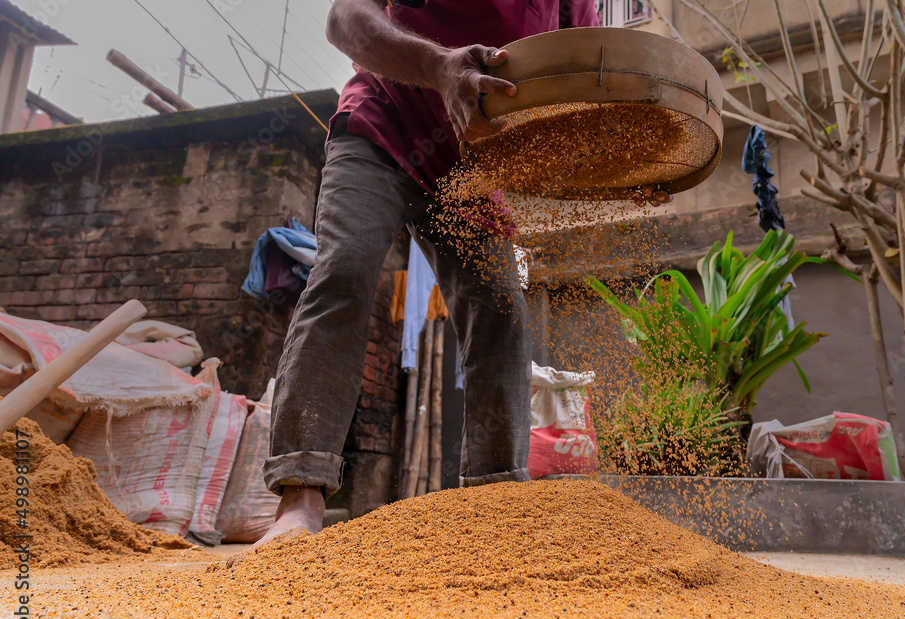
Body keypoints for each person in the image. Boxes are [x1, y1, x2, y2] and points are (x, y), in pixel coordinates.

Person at [252, 0, 667, 549]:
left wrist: (615, 172)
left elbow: (574, 90)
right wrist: (439, 66)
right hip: (384, 126)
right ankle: (300, 497)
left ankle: (496, 506)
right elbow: (344, 20)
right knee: (345, 271)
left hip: (475, 168)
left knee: (502, 315)